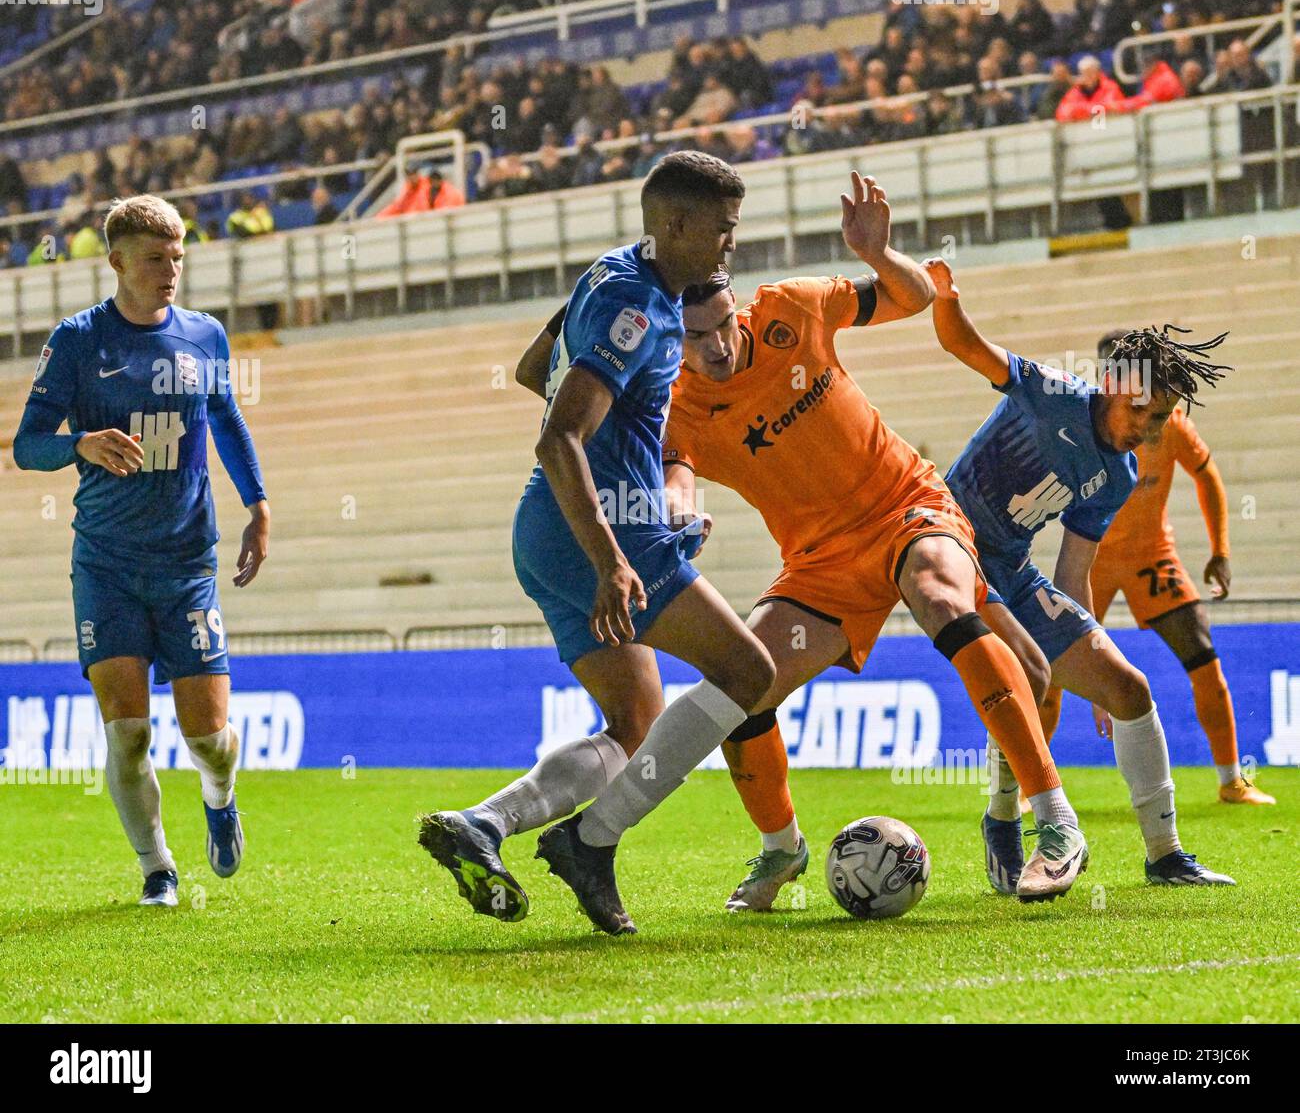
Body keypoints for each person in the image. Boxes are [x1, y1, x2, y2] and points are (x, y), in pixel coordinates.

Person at [513, 173, 1091, 911]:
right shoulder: (678, 406)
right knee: (741, 688)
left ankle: (1057, 826)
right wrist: (680, 513)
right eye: (696, 339)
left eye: (727, 325)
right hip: (820, 564)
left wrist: (881, 255)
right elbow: (676, 476)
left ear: (742, 307)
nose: (718, 346)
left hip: (908, 505)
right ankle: (781, 850)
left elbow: (912, 298)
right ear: (671, 340)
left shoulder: (795, 307)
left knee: (940, 596)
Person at [418, 152, 774, 936]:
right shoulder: (639, 308)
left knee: (635, 721)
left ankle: (485, 823)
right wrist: (616, 556)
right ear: (676, 224)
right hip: (600, 536)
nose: (730, 244)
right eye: (722, 229)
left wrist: (645, 496)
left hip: (548, 529)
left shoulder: (610, 274)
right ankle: (587, 844)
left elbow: (530, 369)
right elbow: (559, 438)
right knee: (749, 670)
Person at [925, 257, 1237, 889]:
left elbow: (1074, 567)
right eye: (1142, 414)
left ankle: (1165, 855)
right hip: (949, 553)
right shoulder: (1049, 393)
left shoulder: (1118, 475)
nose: (1147, 433)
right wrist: (944, 296)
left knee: (1128, 689)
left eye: (1159, 422)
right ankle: (1008, 820)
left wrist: (1081, 641)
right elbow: (964, 344)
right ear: (1114, 384)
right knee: (1030, 679)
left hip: (1010, 571)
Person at [11, 194, 270, 907]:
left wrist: (259, 505)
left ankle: (220, 801)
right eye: (157, 258)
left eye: (179, 256)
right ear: (117, 261)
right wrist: (79, 443)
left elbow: (226, 419)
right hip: (106, 564)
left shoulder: (204, 336)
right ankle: (157, 867)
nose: (171, 270)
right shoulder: (77, 341)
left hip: (187, 565)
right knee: (127, 733)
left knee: (210, 739)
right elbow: (26, 445)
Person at [1039, 331, 1274, 806]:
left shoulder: (1171, 424)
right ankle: (1032, 784)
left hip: (1153, 557)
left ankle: (1232, 781)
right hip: (1092, 558)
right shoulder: (1078, 424)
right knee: (1047, 667)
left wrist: (1221, 549)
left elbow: (1207, 474)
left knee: (1203, 657)